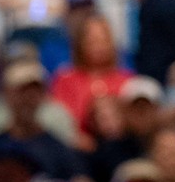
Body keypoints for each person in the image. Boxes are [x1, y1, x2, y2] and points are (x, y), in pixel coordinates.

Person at [48, 13, 130, 147]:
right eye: (92, 41)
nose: (98, 46)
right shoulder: (65, 81)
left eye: (103, 40)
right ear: (80, 43)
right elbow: (59, 120)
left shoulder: (126, 80)